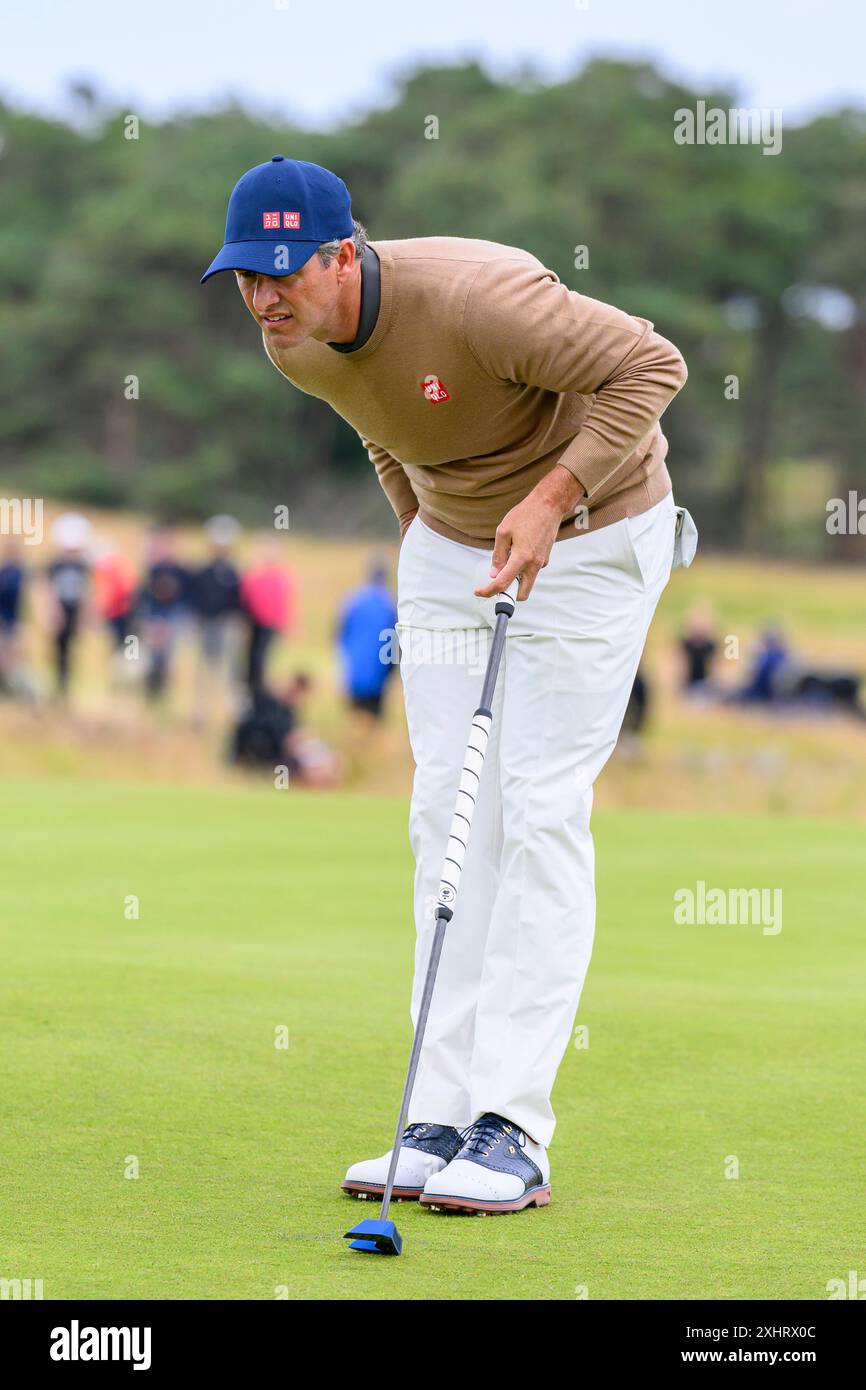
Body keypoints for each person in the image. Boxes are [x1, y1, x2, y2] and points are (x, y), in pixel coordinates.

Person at [202, 156, 694, 1215]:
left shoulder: (480, 298)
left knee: (536, 806)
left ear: (343, 254)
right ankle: (436, 1110)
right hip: (450, 550)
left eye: (282, 271)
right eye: (245, 274)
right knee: (446, 812)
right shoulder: (293, 348)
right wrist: (432, 556)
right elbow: (391, 435)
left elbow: (653, 368)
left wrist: (551, 497)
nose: (262, 297)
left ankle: (511, 1124)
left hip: (596, 536)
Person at [230, 672, 340, 787]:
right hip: (272, 752)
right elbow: (270, 733)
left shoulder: (290, 711)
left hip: (287, 751)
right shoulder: (268, 704)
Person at [189, 515, 243, 727]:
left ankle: (226, 718)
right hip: (205, 625)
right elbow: (195, 598)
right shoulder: (203, 570)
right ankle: (200, 715)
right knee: (202, 672)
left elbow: (238, 603)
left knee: (226, 673)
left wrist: (234, 624)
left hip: (225, 627)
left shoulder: (233, 573)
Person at [336, 560, 397, 720]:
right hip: (378, 673)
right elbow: (394, 645)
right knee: (373, 718)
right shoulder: (390, 604)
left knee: (356, 717)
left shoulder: (352, 600)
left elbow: (340, 635)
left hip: (354, 671)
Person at [137, 528, 190, 703]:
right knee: (152, 657)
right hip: (155, 618)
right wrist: (150, 622)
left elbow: (183, 597)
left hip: (170, 619)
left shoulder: (179, 570)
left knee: (167, 658)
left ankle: (162, 693)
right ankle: (149, 692)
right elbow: (145, 596)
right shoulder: (154, 569)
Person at [239, 538, 295, 694]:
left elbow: (284, 601)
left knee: (262, 657)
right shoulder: (256, 572)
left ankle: (259, 689)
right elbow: (246, 596)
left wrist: (285, 624)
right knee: (251, 657)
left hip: (270, 623)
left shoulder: (280, 575)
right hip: (253, 620)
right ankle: (251, 687)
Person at [45, 513, 91, 698]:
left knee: (71, 650)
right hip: (60, 610)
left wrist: (83, 616)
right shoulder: (55, 565)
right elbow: (50, 590)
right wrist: (54, 612)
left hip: (74, 610)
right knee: (58, 649)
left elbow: (85, 592)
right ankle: (58, 685)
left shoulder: (82, 566)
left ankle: (66, 687)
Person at [0, 538, 26, 696]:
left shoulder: (22, 573)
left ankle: (13, 688)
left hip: (15, 620)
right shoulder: (3, 572)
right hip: (3, 620)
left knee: (15, 656)